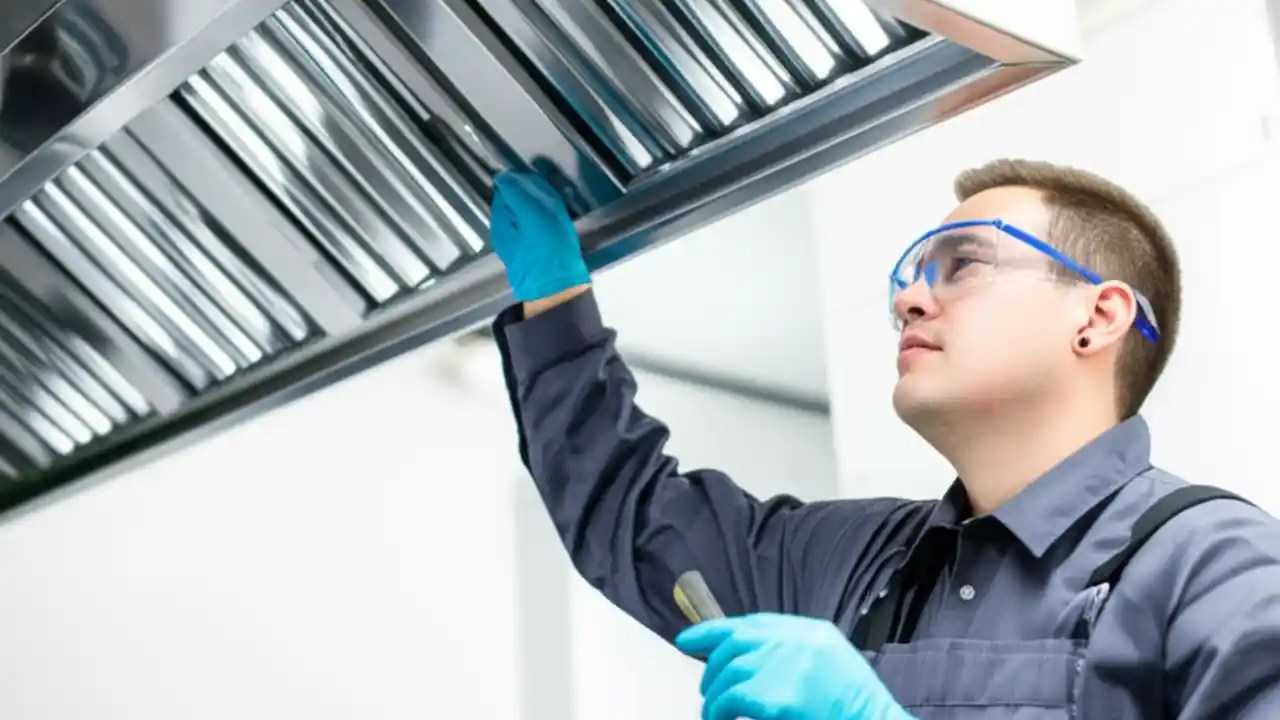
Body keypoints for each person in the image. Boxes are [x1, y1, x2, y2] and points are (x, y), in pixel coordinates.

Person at [486, 160, 1280, 719]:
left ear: (1098, 316)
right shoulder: (855, 562)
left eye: (962, 265)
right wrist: (556, 307)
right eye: (910, 277)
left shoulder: (1215, 569)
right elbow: (632, 517)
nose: (910, 300)